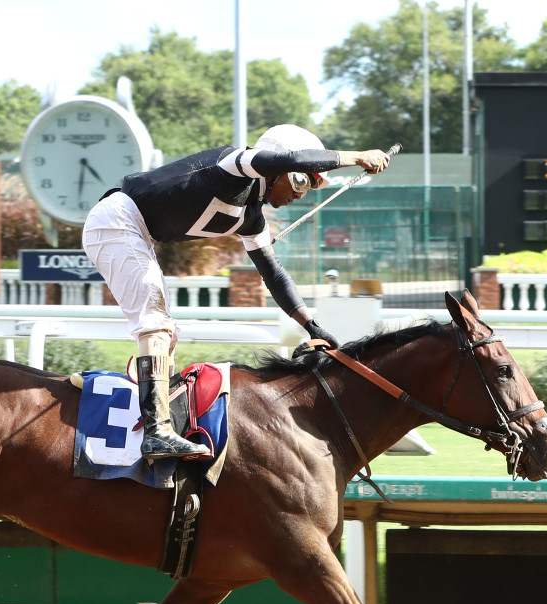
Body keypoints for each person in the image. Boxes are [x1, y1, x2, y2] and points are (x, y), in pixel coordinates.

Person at [83, 124, 391, 459]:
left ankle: (162, 422)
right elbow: (296, 157)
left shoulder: (252, 218)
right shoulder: (233, 166)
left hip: (136, 233)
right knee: (155, 325)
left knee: (166, 334)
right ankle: (157, 432)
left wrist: (311, 325)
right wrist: (357, 156)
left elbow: (274, 275)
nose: (298, 195)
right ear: (277, 168)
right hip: (117, 220)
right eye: (301, 180)